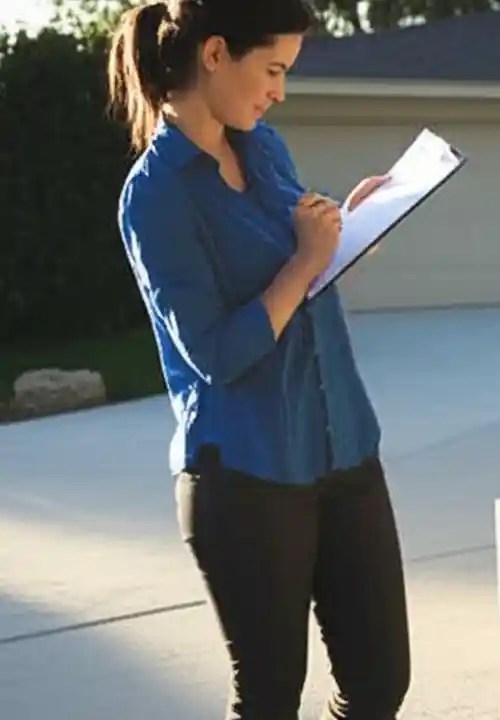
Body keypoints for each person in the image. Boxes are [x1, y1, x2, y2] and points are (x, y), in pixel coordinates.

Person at [106, 1, 411, 718]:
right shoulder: (154, 196)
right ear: (215, 54)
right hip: (246, 478)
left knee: (378, 685)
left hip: (344, 451)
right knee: (270, 698)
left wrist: (348, 232)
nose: (279, 90)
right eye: (272, 69)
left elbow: (301, 275)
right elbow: (216, 351)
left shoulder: (265, 147)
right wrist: (305, 262)